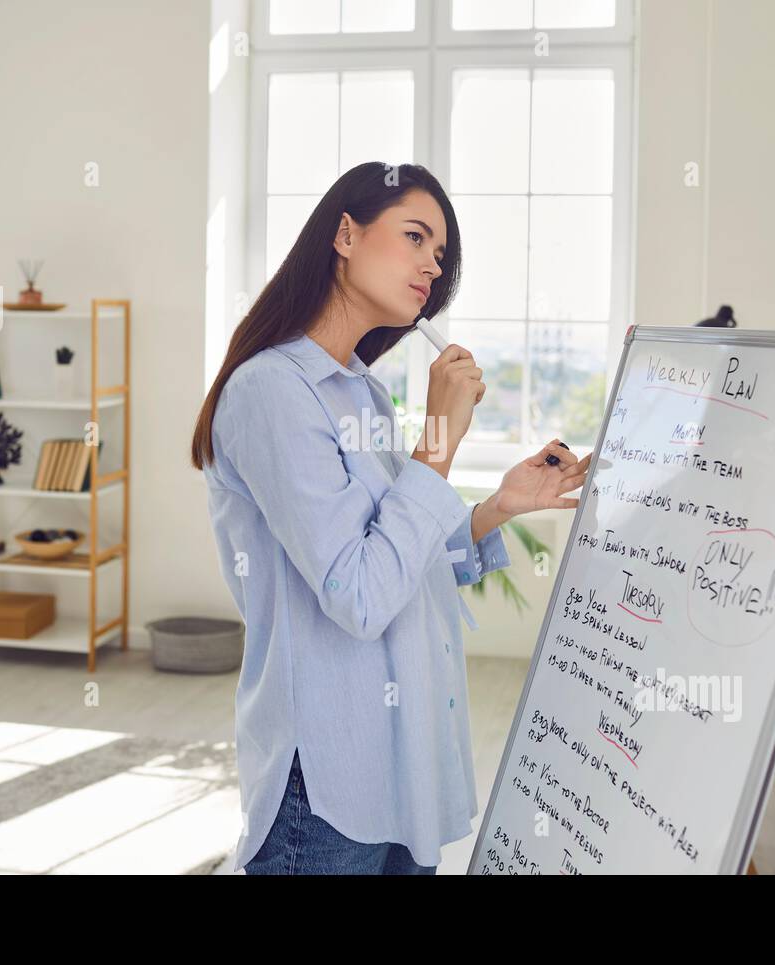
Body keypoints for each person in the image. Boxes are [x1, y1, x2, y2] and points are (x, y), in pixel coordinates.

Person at [190, 161, 590, 874]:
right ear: (345, 233)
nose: (432, 266)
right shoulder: (271, 394)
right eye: (416, 237)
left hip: (404, 768)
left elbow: (401, 560)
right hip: (328, 785)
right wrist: (439, 440)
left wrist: (499, 507)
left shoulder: (363, 394)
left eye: (440, 256)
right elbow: (361, 593)